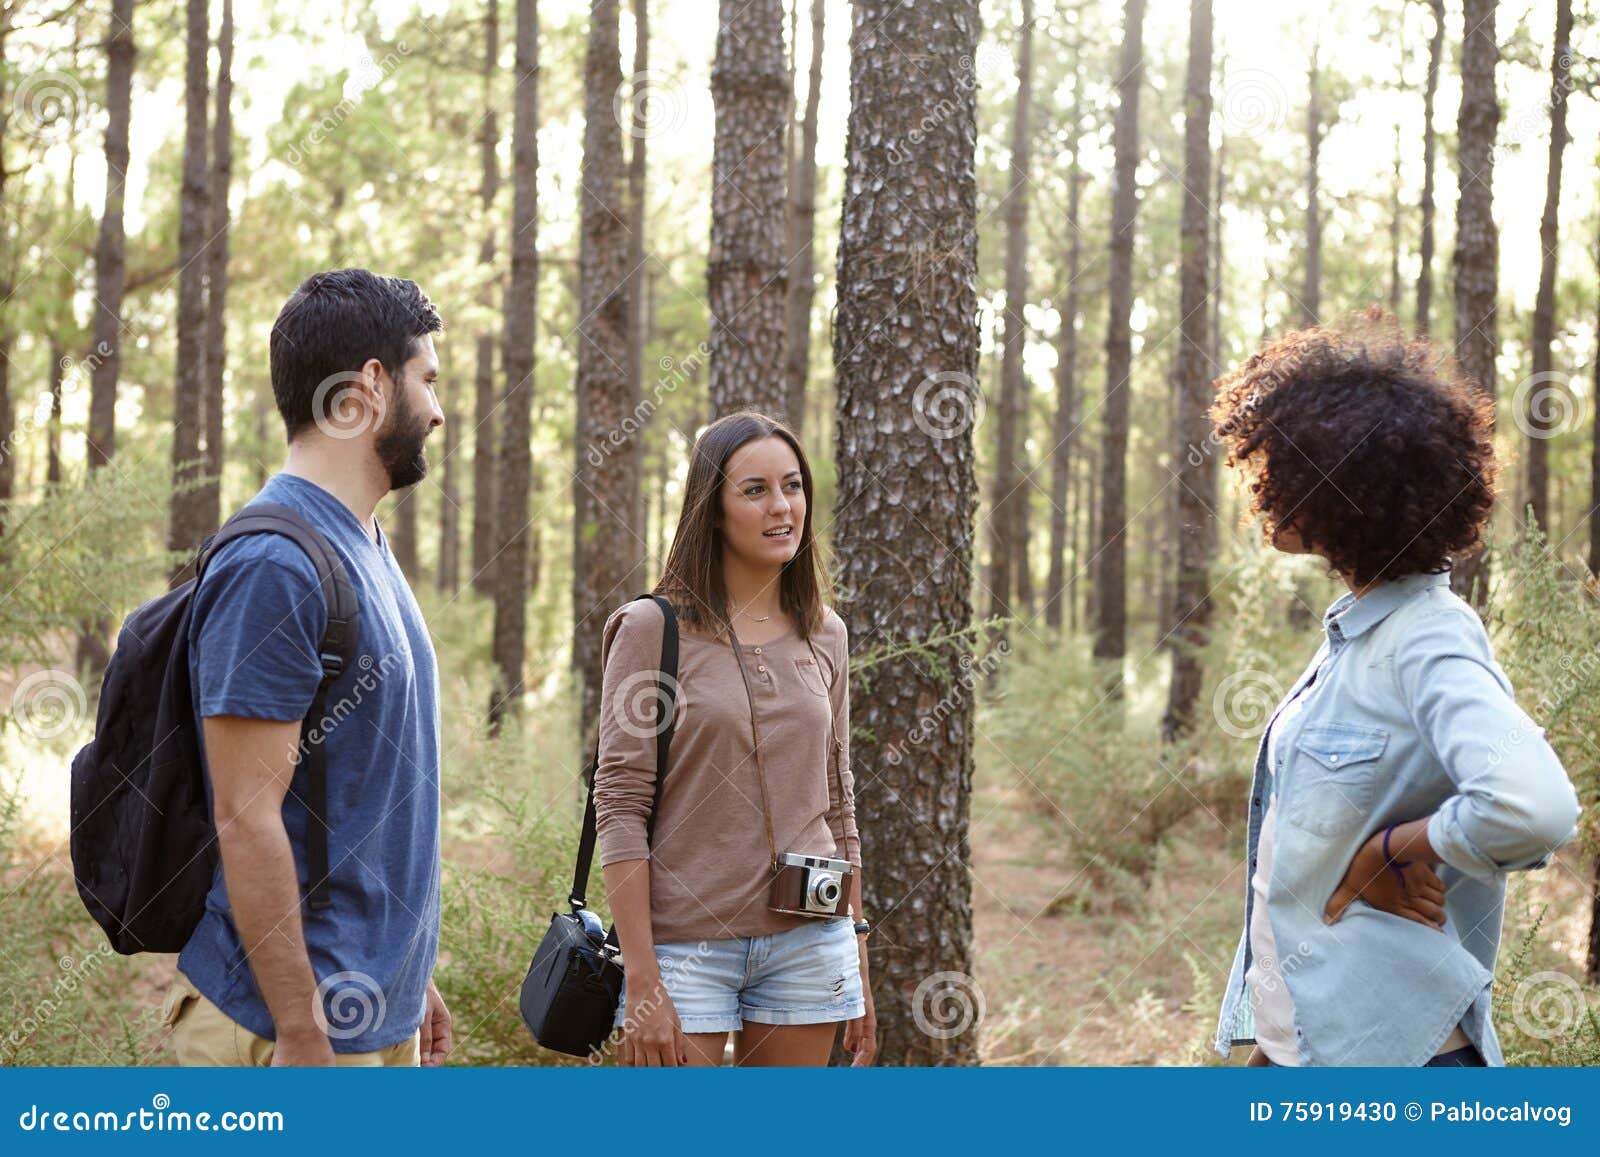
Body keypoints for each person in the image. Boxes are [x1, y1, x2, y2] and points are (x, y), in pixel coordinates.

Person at [1209, 309, 1582, 1067]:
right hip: (1307, 1044)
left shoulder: (1427, 636)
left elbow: (1535, 805)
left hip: (1395, 1062)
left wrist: (1396, 847)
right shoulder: (1358, 635)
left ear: (1344, 488)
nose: (1264, 483)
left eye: (1284, 464)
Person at [161, 269, 453, 1067]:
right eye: (426, 379)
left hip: (364, 1014)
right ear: (369, 385)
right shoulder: (275, 564)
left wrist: (404, 973)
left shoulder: (360, 542)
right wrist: (300, 1029)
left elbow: (360, 792)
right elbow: (246, 815)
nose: (437, 407)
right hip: (283, 1030)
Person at [593, 410, 877, 1067]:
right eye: (755, 490)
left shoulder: (824, 631)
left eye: (793, 485)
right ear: (712, 510)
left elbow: (838, 800)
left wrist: (855, 952)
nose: (782, 506)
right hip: (684, 948)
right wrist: (642, 977)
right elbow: (621, 804)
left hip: (811, 940)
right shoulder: (650, 629)